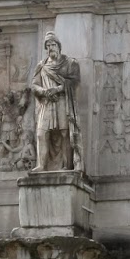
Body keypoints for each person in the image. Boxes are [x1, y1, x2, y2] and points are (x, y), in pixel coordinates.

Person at [30, 32, 81, 171]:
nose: (50, 48)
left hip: (62, 101)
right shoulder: (42, 65)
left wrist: (57, 90)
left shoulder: (70, 63)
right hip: (47, 103)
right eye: (48, 46)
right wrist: (44, 92)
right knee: (41, 133)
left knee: (64, 132)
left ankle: (67, 165)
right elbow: (34, 85)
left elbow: (74, 81)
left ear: (59, 46)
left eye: (53, 44)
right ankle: (41, 165)